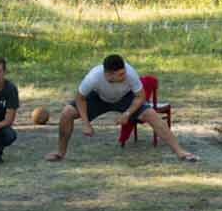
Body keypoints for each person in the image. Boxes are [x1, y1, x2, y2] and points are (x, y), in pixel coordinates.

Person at [46, 54, 199, 162]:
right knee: (67, 113)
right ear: (108, 75)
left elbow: (140, 96)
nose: (124, 76)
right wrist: (86, 123)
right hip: (98, 98)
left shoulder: (130, 73)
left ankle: (180, 152)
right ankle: (60, 152)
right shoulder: (94, 77)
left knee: (152, 115)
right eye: (120, 74)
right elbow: (80, 98)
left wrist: (128, 113)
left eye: (124, 72)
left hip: (125, 98)